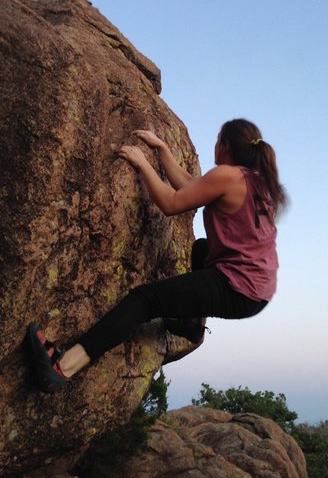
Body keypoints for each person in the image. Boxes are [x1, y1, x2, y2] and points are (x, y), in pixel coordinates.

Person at [27, 119, 286, 393]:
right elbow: (191, 186)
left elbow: (172, 203)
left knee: (145, 300)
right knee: (201, 248)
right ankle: (192, 324)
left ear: (224, 145)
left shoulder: (228, 175)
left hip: (238, 287)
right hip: (259, 290)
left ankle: (62, 367)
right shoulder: (259, 182)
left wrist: (143, 164)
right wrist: (162, 149)